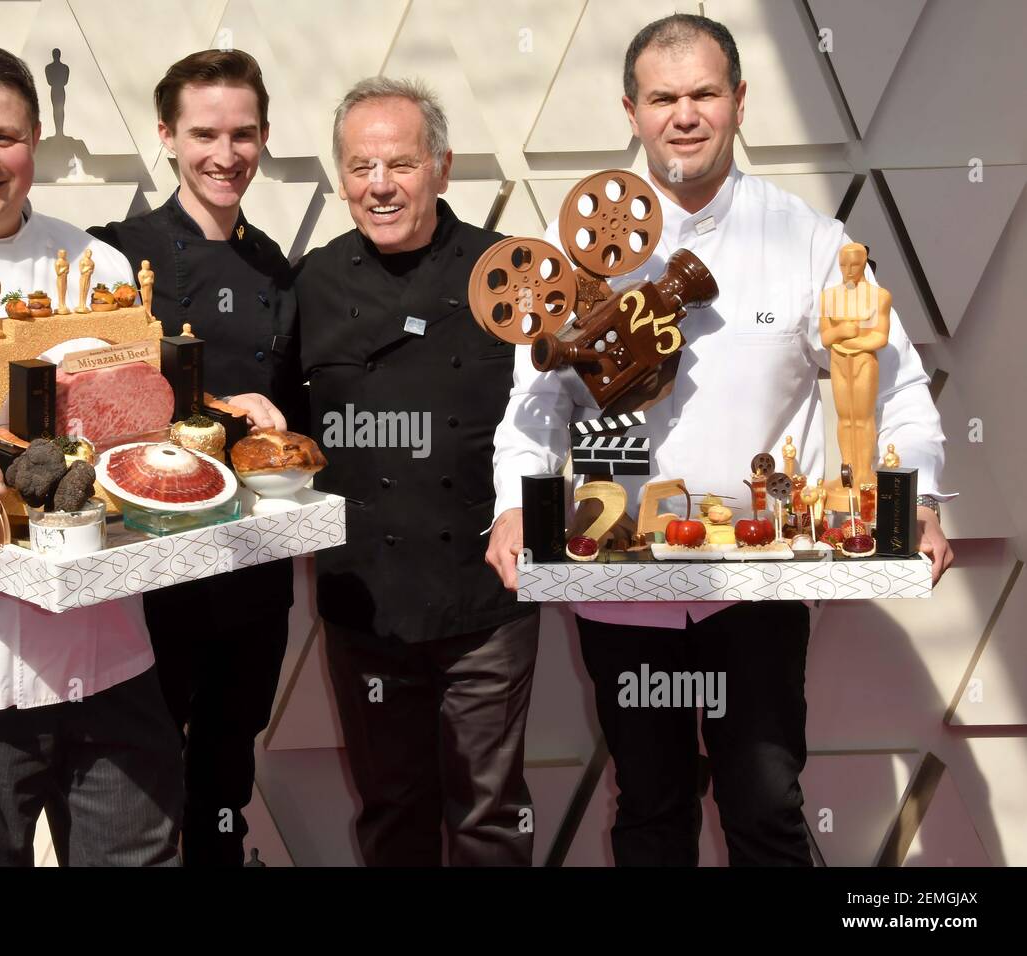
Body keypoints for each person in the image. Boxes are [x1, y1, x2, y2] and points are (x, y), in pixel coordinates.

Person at [0, 49, 300, 868]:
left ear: (36, 137)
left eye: (4, 134)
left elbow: (139, 413)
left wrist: (216, 412)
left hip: (110, 652)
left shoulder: (96, 265)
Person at [487, 13, 954, 866]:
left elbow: (895, 384)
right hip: (622, 585)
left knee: (767, 805)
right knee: (650, 807)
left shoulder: (809, 239)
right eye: (663, 98)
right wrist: (517, 508)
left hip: (758, 585)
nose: (685, 115)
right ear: (630, 111)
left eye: (705, 93)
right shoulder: (582, 251)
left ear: (741, 101)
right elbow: (537, 402)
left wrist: (915, 496)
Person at [294, 78, 540, 866]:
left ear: (442, 166)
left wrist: (531, 504)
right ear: (340, 178)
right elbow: (277, 427)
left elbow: (555, 411)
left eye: (400, 163)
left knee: (490, 815)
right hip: (363, 598)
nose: (379, 185)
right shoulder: (314, 283)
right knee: (392, 811)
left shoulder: (510, 274)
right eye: (361, 167)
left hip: (485, 599)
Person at [87, 49, 302, 867]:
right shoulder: (114, 252)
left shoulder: (275, 264)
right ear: (166, 136)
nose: (225, 153)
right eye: (204, 133)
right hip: (147, 568)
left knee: (226, 772)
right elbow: (88, 384)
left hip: (253, 569)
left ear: (265, 137)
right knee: (139, 782)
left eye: (243, 134)